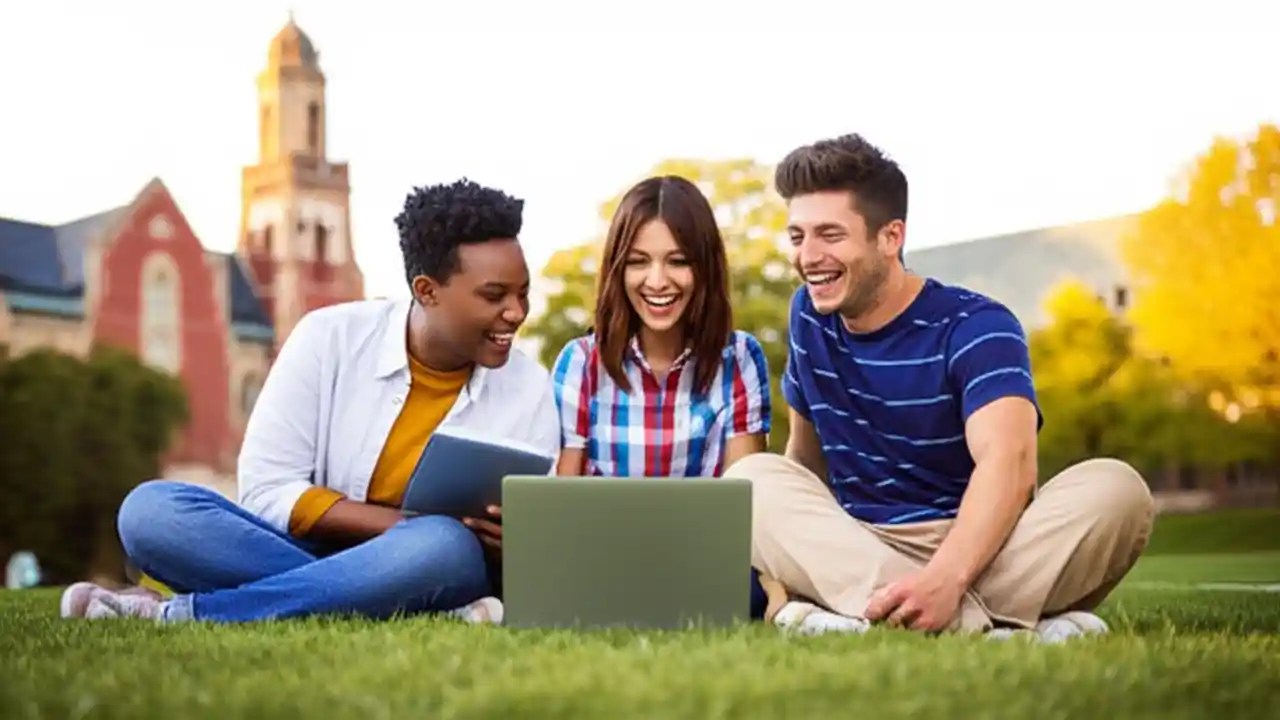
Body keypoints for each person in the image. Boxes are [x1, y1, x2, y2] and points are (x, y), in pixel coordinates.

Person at [60, 178, 559, 624]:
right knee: (151, 512)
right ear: (426, 291)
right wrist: (398, 528)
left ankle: (182, 614)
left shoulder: (531, 388)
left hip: (435, 560)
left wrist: (509, 540)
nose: (516, 313)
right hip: (301, 546)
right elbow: (266, 489)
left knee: (444, 547)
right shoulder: (328, 338)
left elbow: (536, 533)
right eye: (494, 296)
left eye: (523, 293)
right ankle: (398, 604)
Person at [726, 134, 1155, 640]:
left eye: (830, 235)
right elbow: (806, 456)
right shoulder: (808, 315)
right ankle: (993, 627)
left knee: (1117, 490)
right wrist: (788, 562)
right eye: (798, 237)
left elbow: (1010, 466)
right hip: (859, 544)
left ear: (890, 237)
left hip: (985, 544)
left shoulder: (978, 325)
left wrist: (947, 577)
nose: (809, 256)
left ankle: (875, 615)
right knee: (752, 478)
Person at [550, 176, 772, 615]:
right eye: (638, 262)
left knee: (748, 590)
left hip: (704, 561)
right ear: (618, 269)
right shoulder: (581, 362)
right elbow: (559, 506)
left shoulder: (740, 356)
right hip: (600, 560)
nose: (657, 281)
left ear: (704, 266)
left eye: (677, 261)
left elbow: (745, 501)